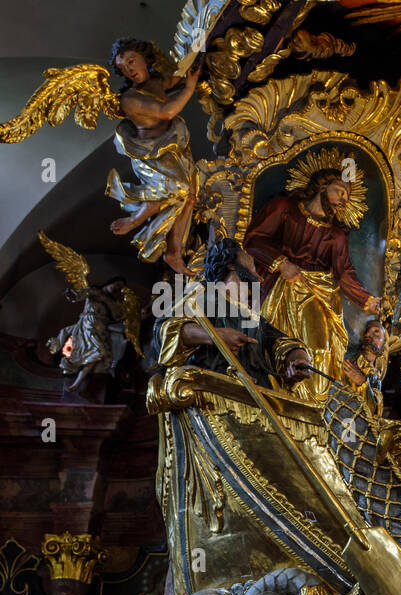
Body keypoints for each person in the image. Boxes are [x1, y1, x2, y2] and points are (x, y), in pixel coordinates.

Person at [244, 156, 385, 402]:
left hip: (316, 294)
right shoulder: (283, 208)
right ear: (322, 186)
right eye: (340, 191)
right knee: (272, 340)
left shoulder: (337, 235)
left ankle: (313, 402)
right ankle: (280, 391)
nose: (343, 199)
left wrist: (367, 300)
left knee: (320, 346)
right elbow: (253, 240)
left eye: (347, 197)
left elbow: (344, 274)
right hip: (277, 287)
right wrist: (282, 263)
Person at [154, 238, 311, 390]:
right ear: (231, 264)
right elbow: (165, 329)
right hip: (215, 394)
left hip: (258, 398)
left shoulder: (253, 316)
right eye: (252, 267)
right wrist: (215, 336)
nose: (258, 275)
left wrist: (298, 359)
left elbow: (283, 342)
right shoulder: (201, 296)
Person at [105, 38, 201, 275]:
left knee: (189, 196)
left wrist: (199, 55)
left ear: (144, 59)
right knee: (177, 188)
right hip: (150, 153)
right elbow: (166, 111)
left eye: (131, 61)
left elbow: (179, 77)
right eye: (123, 68)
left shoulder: (158, 82)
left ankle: (174, 253)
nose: (129, 69)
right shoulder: (129, 98)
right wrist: (189, 88)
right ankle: (136, 220)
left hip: (172, 146)